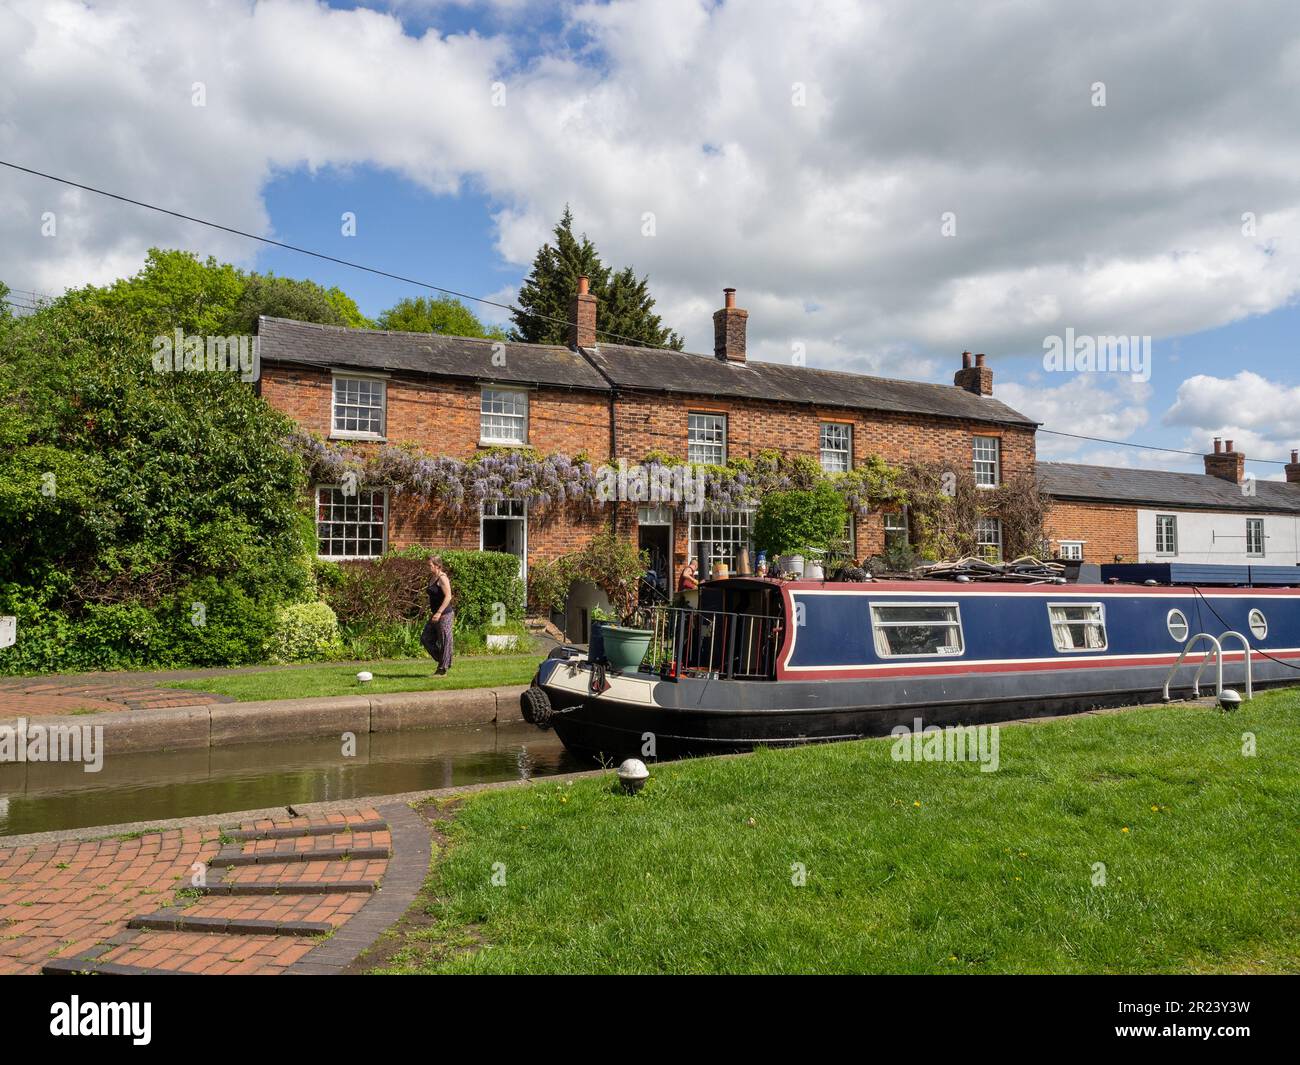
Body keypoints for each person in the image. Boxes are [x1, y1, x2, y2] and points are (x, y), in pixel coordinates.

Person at [421, 555, 454, 675]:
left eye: (430, 565)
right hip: (435, 614)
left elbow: (448, 597)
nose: (428, 567)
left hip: (445, 614)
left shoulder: (442, 578)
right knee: (425, 638)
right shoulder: (432, 578)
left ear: (437, 566)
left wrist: (439, 612)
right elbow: (430, 594)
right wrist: (423, 607)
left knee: (445, 641)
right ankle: (444, 661)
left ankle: (442, 669)